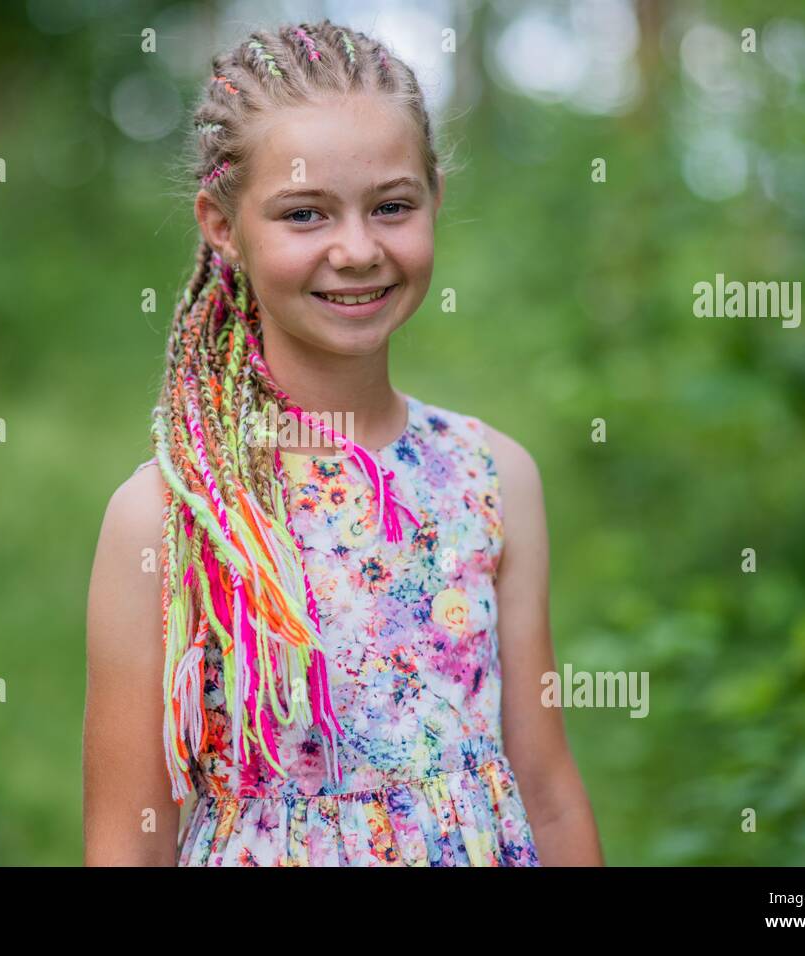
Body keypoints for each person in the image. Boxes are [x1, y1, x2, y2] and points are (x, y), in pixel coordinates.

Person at [84, 19, 603, 866]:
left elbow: (546, 789)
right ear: (222, 226)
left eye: (391, 206)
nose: (357, 250)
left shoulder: (492, 478)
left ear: (435, 196)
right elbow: (125, 842)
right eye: (304, 214)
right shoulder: (167, 518)